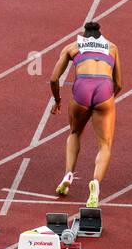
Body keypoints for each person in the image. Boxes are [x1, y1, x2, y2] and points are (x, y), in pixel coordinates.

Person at [50, 21, 121, 208]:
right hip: (104, 88)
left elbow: (54, 78)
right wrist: (107, 103)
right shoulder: (112, 47)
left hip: (82, 87)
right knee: (105, 145)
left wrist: (57, 100)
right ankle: (95, 184)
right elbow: (119, 83)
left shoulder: (72, 47)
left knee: (74, 133)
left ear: (83, 34)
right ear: (100, 34)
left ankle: (68, 175)